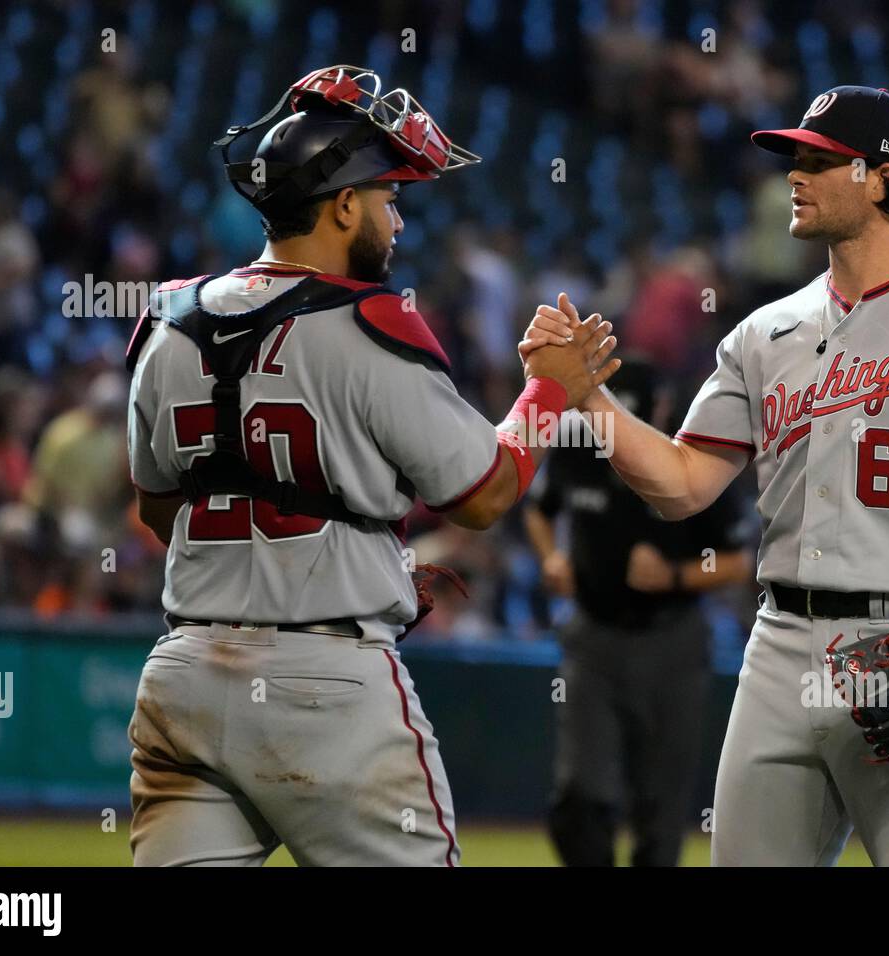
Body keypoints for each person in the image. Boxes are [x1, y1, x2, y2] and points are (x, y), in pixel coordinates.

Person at [522, 86, 889, 866]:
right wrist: (589, 398)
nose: (795, 175)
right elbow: (682, 484)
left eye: (820, 160)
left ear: (881, 178)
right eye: (794, 159)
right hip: (779, 650)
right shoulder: (764, 331)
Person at [123, 65, 618, 866]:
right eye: (389, 199)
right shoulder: (371, 320)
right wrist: (548, 391)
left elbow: (158, 512)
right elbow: (486, 493)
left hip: (181, 677)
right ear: (344, 202)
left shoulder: (167, 319)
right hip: (325, 682)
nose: (397, 221)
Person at [524, 357, 750, 866]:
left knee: (659, 807)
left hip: (670, 640)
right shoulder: (576, 448)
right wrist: (552, 557)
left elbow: (737, 562)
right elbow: (539, 509)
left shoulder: (687, 459)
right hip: (592, 636)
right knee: (579, 794)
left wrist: (673, 575)